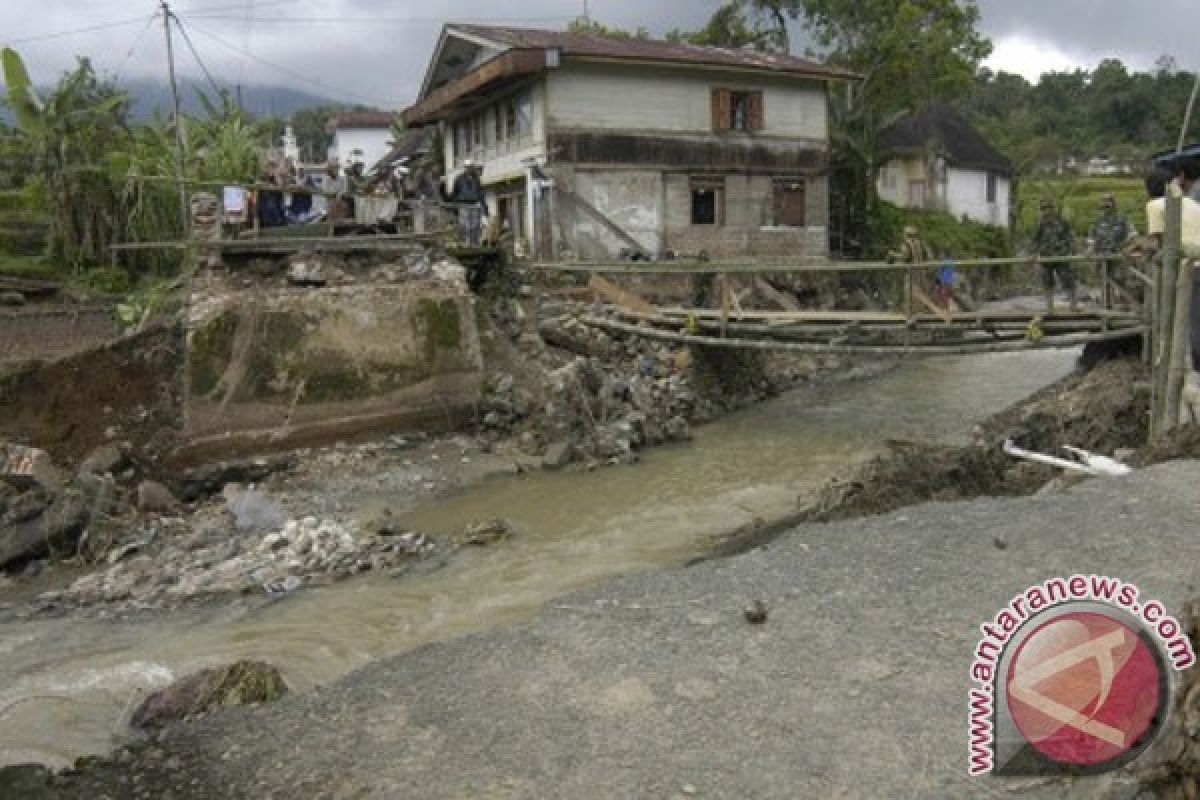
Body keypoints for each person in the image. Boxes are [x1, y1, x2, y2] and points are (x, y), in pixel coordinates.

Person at [1031, 197, 1077, 311]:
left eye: (1048, 207)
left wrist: (1071, 250)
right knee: (1047, 281)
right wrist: (1033, 253)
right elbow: (1035, 239)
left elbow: (1069, 237)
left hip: (1061, 256)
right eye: (1043, 208)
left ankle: (1073, 305)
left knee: (1068, 280)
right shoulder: (1040, 223)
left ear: (1053, 208)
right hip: (1046, 256)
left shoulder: (1062, 221)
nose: (1046, 210)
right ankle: (1049, 306)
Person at [1089, 192, 1131, 307]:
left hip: (1117, 256)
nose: (1106, 206)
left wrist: (1126, 247)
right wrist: (1090, 249)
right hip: (1101, 256)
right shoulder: (1097, 221)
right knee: (1104, 281)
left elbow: (1132, 234)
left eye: (1108, 203)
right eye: (1104, 203)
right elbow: (1092, 238)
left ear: (1113, 204)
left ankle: (1124, 305)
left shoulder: (1122, 219)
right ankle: (1107, 304)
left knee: (1120, 280)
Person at [451, 159, 486, 247]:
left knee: (475, 224)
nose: (469, 169)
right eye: (467, 167)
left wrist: (485, 207)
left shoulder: (476, 179)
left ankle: (474, 243)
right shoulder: (459, 178)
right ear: (465, 168)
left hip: (474, 204)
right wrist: (455, 208)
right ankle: (464, 243)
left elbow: (480, 193)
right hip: (463, 204)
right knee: (464, 224)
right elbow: (455, 193)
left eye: (470, 167)